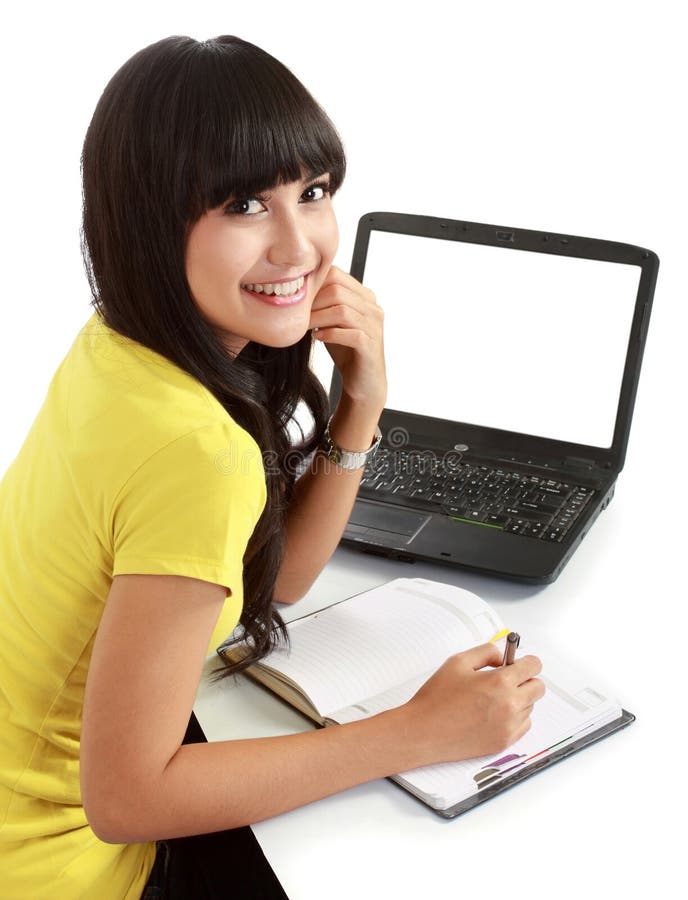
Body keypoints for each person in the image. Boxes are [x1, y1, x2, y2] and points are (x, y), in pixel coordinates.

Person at [0, 35, 545, 899]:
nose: (300, 247)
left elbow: (278, 575)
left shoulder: (118, 342)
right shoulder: (195, 450)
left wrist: (359, 404)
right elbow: (126, 799)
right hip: (56, 866)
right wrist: (415, 732)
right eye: (247, 204)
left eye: (314, 193)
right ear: (150, 217)